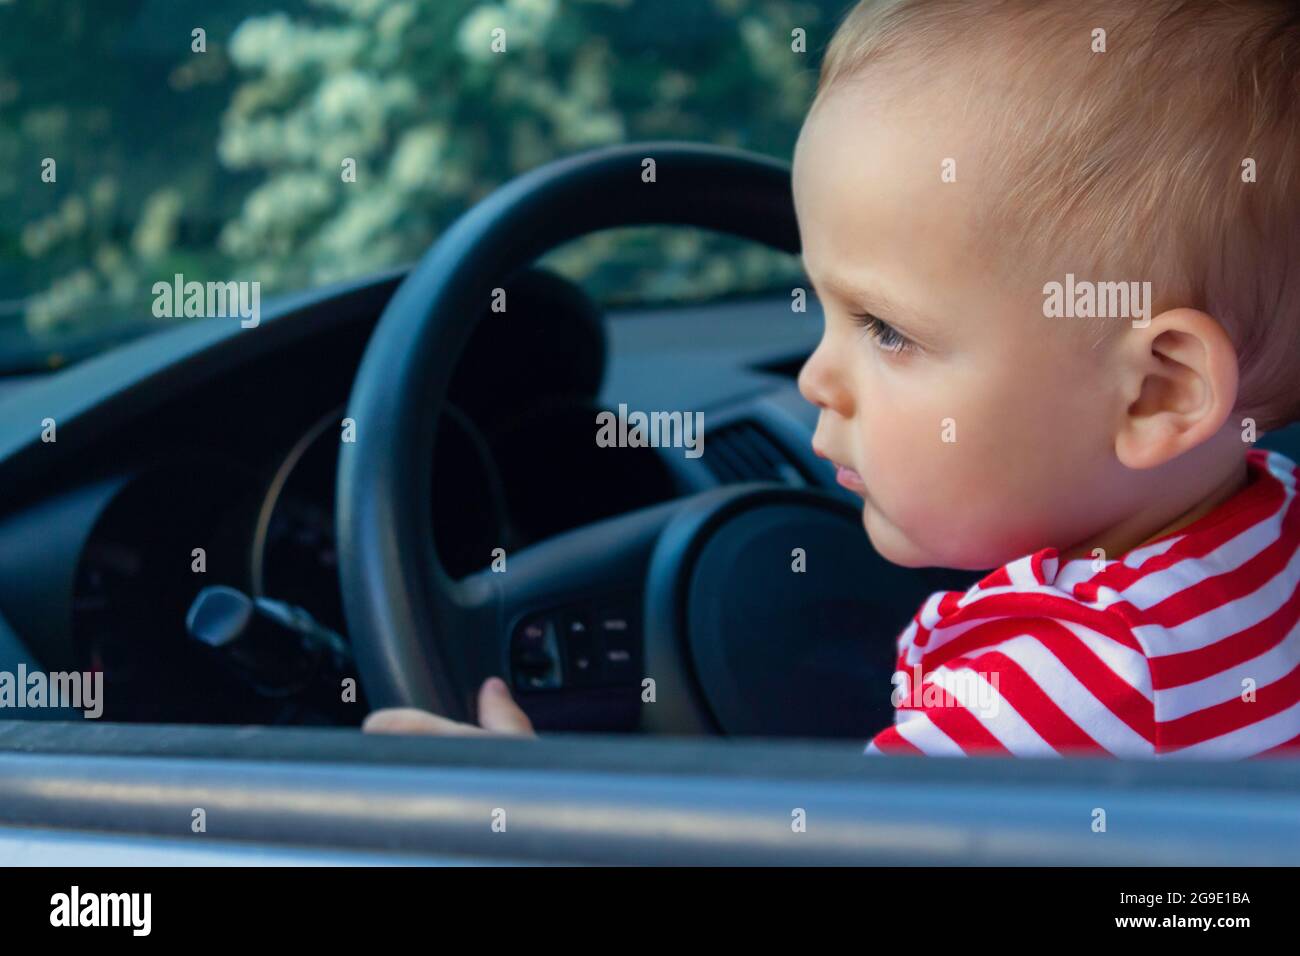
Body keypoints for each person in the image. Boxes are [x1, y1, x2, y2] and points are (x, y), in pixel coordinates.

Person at [366, 0, 1300, 757]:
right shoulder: (1275, 516)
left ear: (1157, 394)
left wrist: (532, 825)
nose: (817, 376)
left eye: (886, 330)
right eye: (823, 308)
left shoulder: (1046, 712)